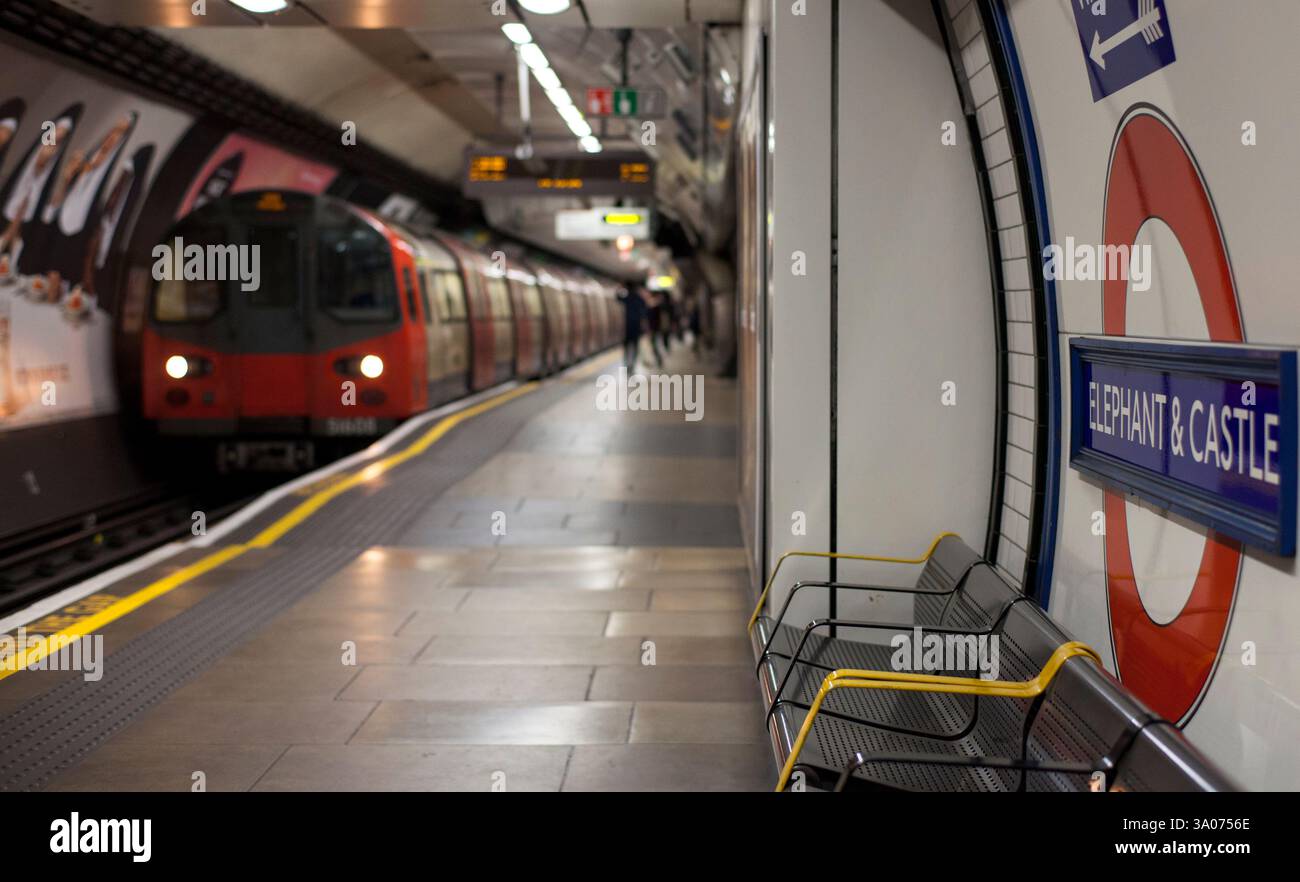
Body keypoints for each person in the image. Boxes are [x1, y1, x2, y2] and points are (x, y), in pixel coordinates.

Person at [617, 285, 647, 369]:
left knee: (626, 346)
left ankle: (626, 362)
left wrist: (620, 288)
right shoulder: (640, 299)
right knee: (635, 346)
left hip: (627, 326)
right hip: (636, 327)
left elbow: (618, 298)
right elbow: (644, 313)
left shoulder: (627, 298)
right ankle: (632, 363)